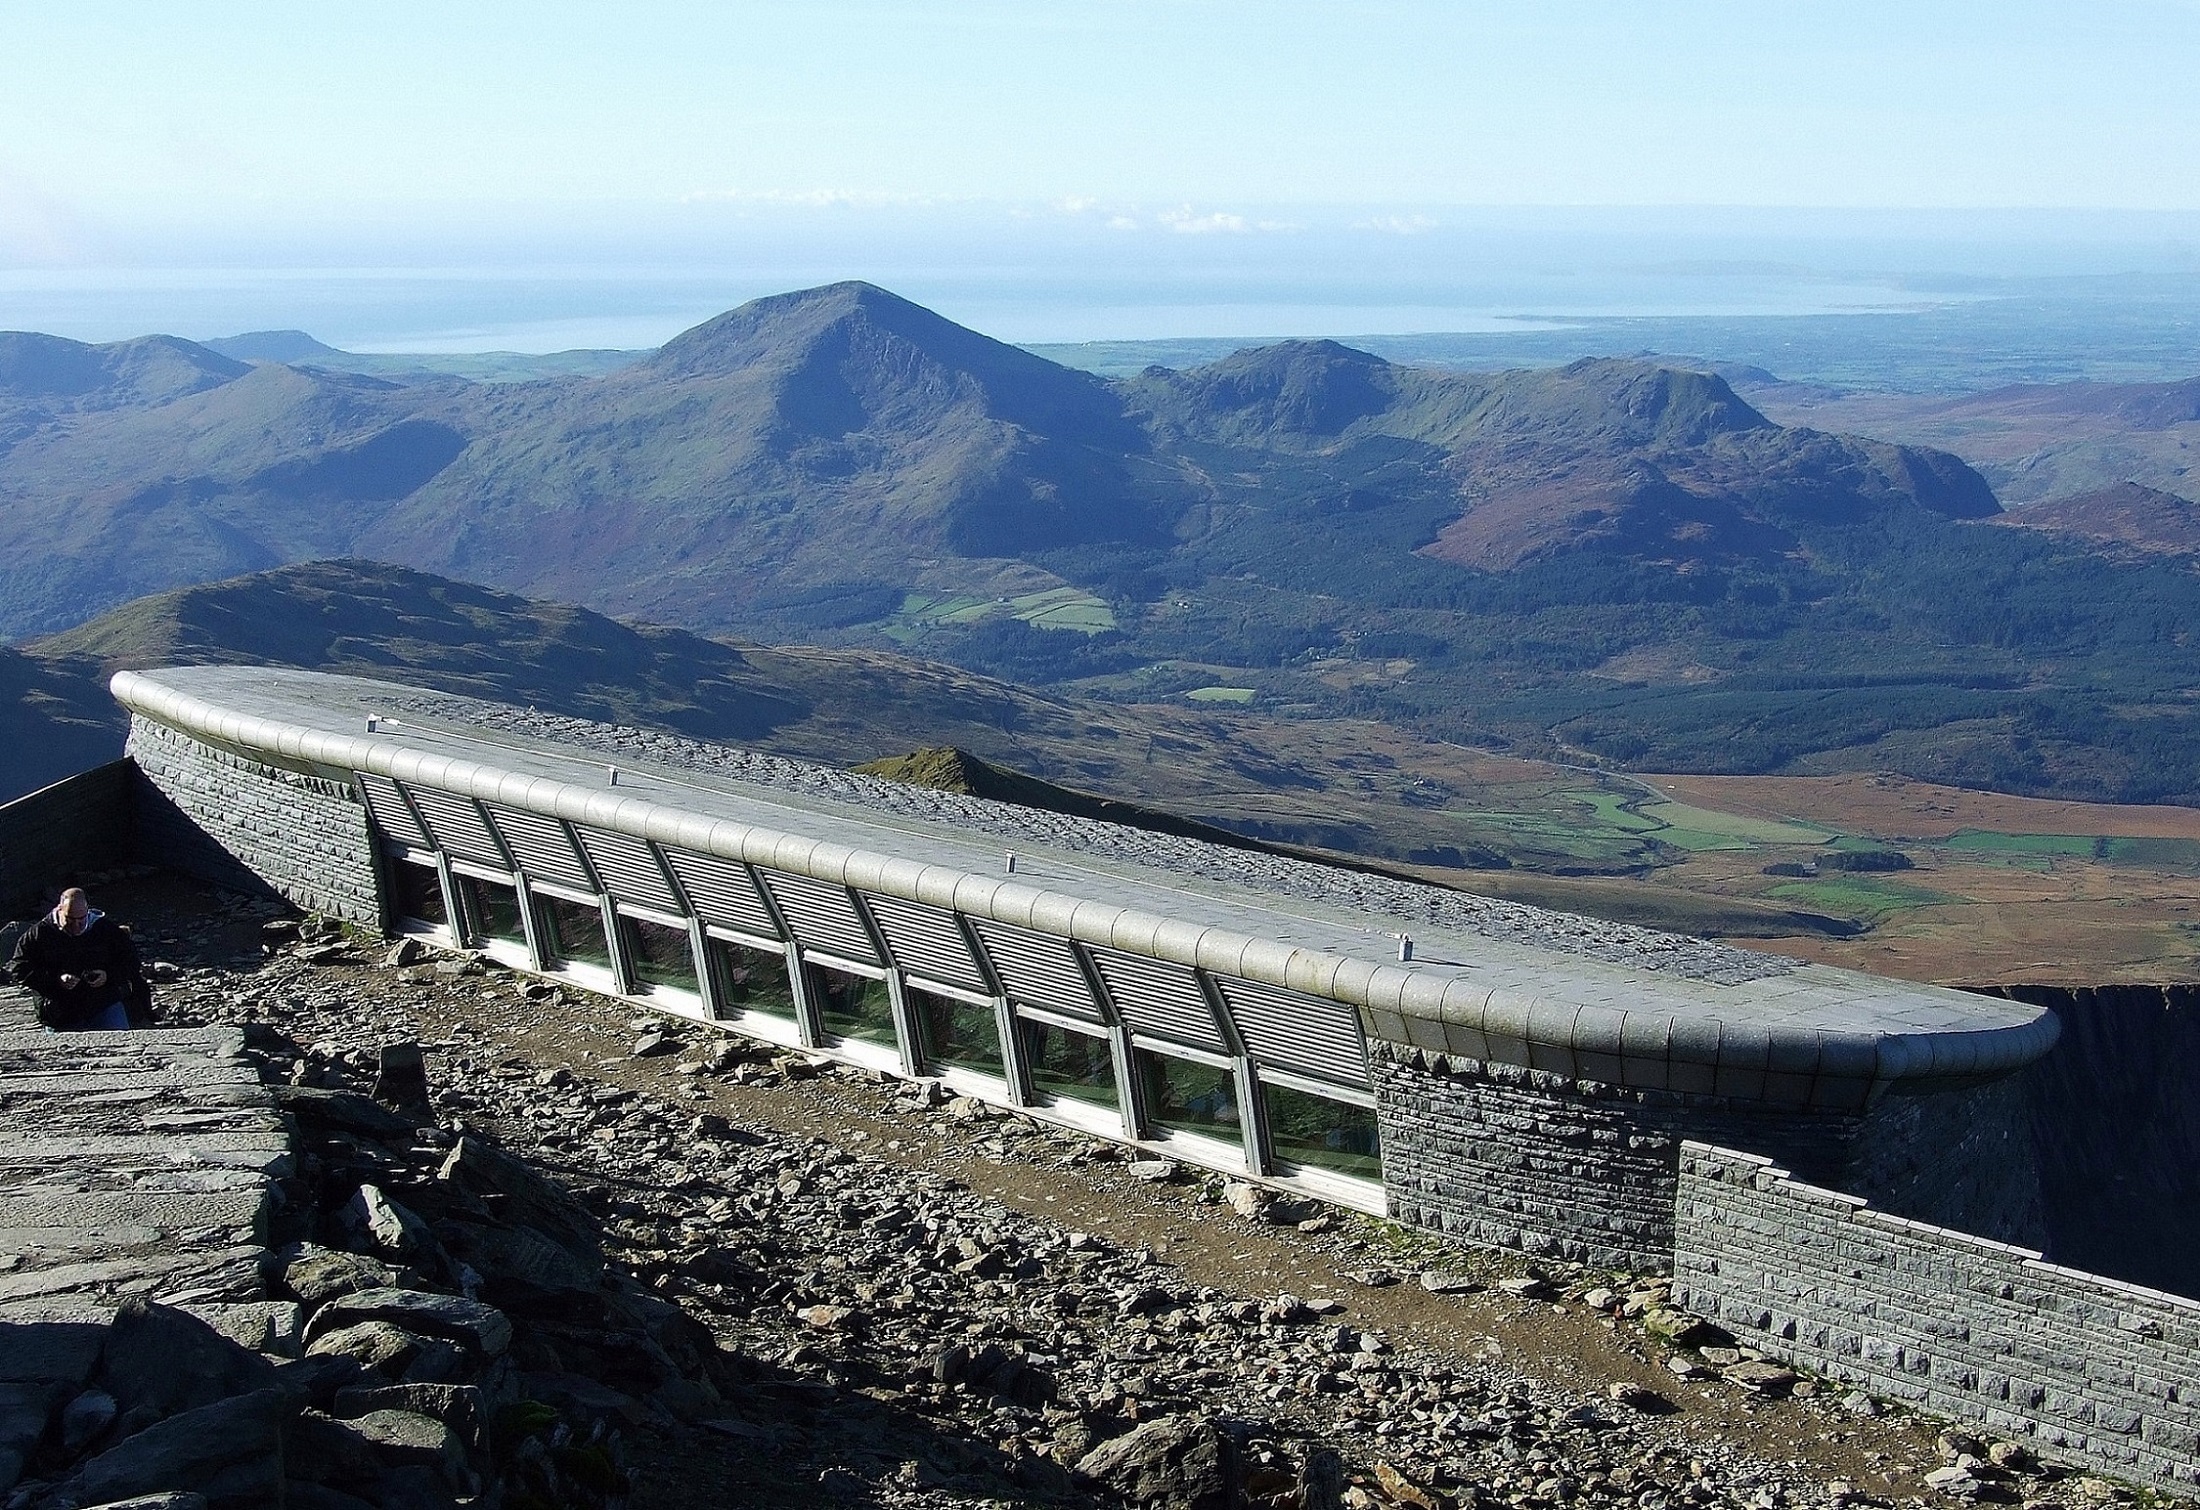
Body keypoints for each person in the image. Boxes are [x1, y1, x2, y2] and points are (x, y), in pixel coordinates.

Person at [10, 888, 144, 1031]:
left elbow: (131, 962)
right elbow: (19, 969)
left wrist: (108, 975)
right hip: (60, 1011)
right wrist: (56, 979)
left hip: (103, 1004)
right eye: (70, 919)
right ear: (59, 910)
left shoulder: (106, 930)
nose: (76, 925)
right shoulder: (38, 934)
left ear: (88, 911)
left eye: (81, 919)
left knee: (118, 1042)